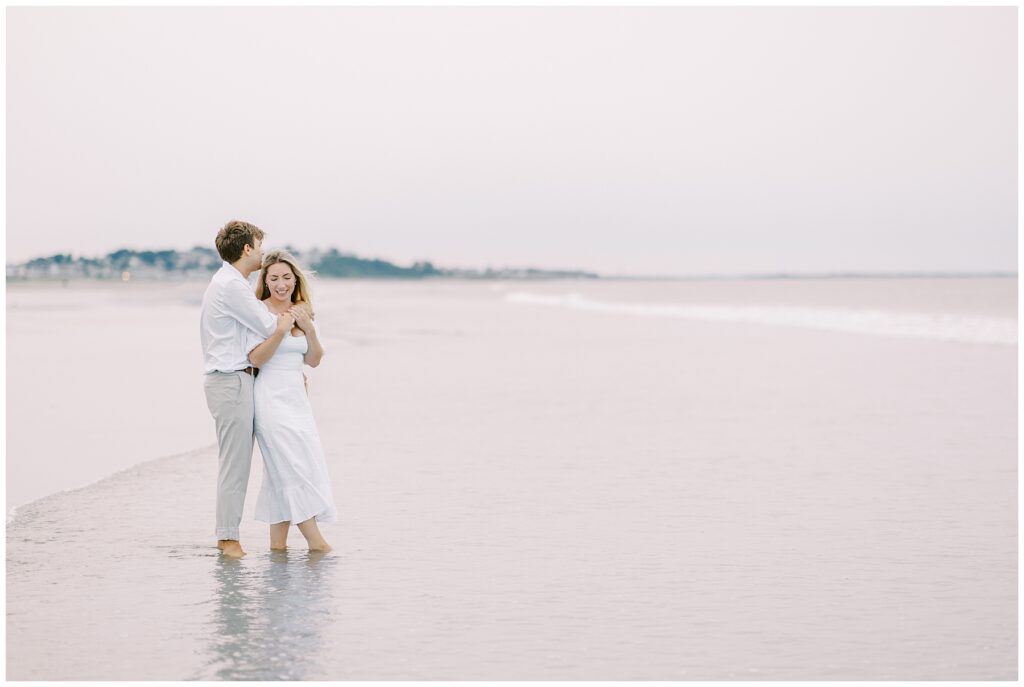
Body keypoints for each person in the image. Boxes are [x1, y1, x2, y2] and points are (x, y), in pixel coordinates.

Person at [200, 220, 292, 559]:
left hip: (233, 380)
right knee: (235, 465)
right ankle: (228, 540)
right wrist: (288, 321)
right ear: (247, 248)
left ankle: (227, 537)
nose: (263, 251)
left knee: (236, 463)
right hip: (230, 380)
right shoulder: (232, 286)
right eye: (259, 244)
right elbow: (268, 325)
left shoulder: (228, 282)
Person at [246, 249, 337, 552]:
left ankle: (278, 548)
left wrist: (308, 329)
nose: (281, 284)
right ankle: (317, 543)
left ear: (295, 280)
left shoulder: (303, 312)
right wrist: (280, 331)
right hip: (269, 398)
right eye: (274, 278)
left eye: (286, 277)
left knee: (281, 472)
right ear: (265, 281)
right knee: (290, 466)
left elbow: (314, 360)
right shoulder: (259, 312)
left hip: (297, 399)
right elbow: (256, 359)